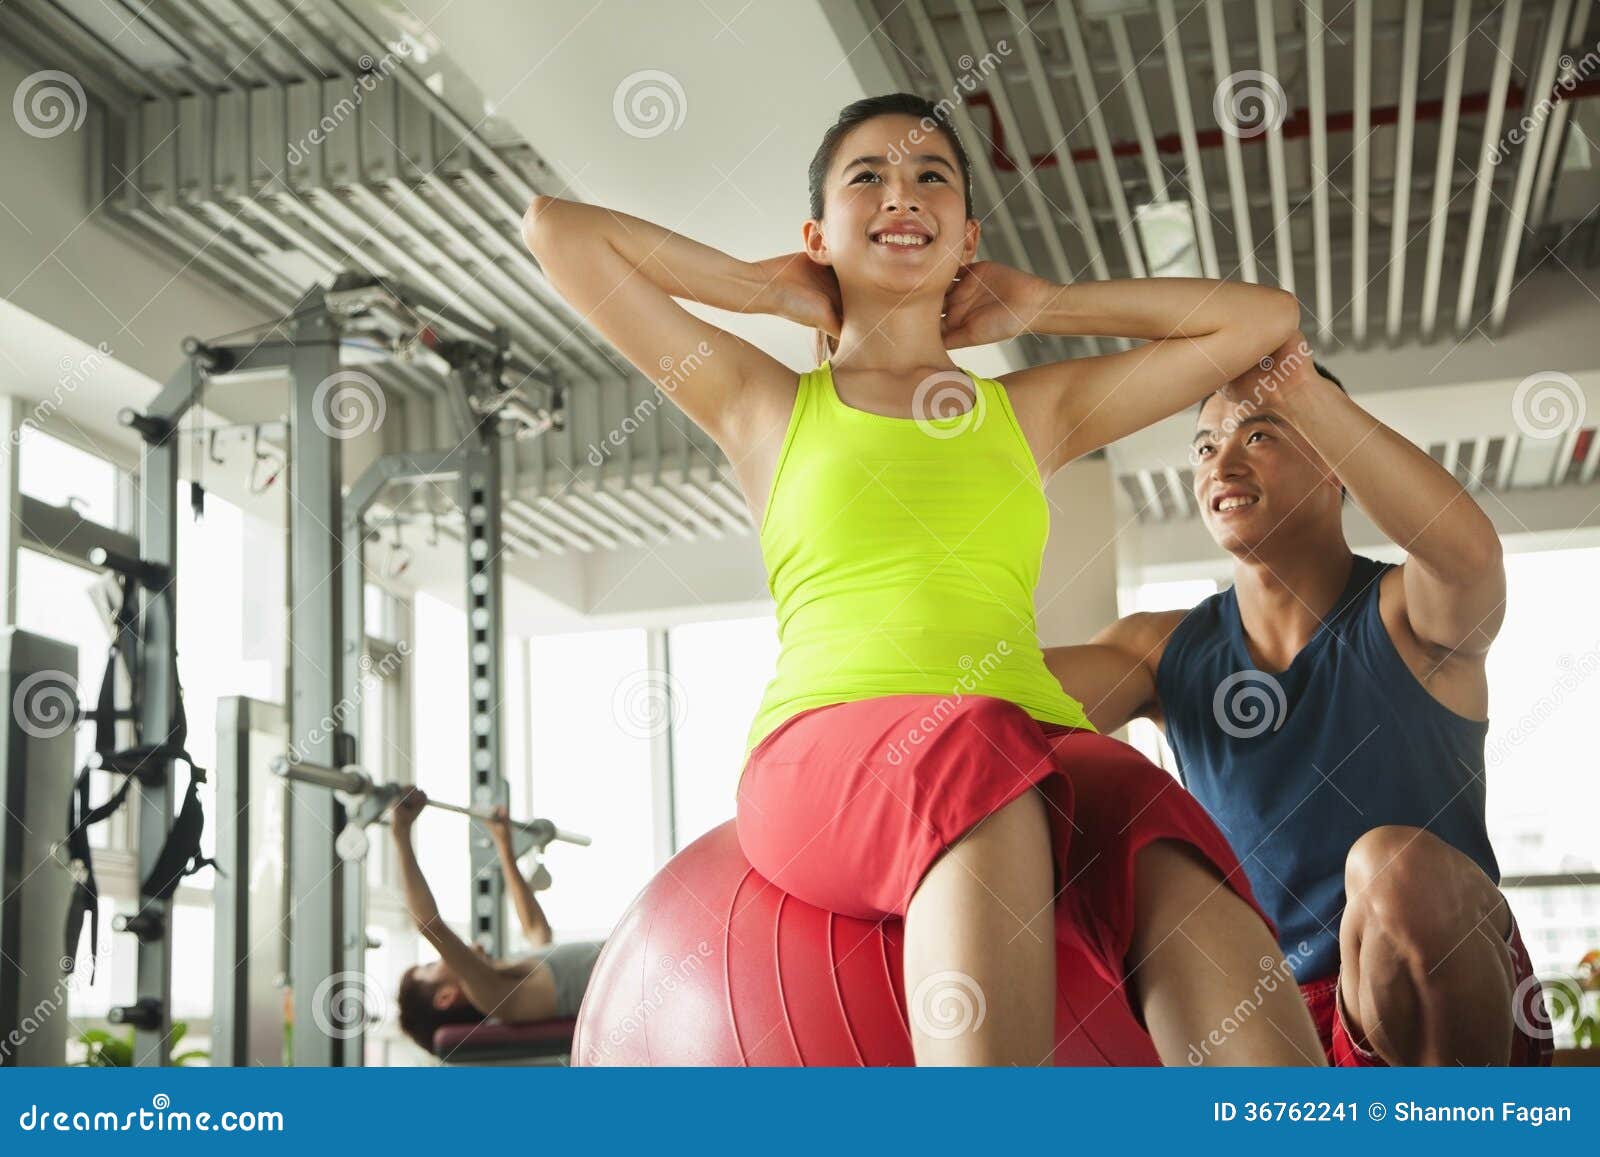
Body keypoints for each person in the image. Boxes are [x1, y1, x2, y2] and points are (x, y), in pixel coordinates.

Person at [524, 92, 1323, 1066]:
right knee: (973, 751)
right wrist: (760, 287)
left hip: (1030, 742)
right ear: (818, 232)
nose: (901, 191)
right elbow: (559, 231)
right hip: (830, 754)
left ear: (967, 237)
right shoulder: (762, 401)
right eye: (868, 176)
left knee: (1152, 814)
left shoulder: (1029, 411)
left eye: (930, 176)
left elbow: (1260, 322)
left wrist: (1042, 305)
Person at [1044, 342, 1550, 1066]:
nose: (1223, 465)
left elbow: (1468, 556)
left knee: (1393, 865)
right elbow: (1003, 711)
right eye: (1206, 447)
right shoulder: (1160, 650)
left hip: (1450, 1001)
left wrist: (1299, 387)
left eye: (1260, 435)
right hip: (1270, 1023)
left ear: (1335, 460)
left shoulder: (1413, 615)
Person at [391, 788, 604, 1054]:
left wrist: (504, 847)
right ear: (446, 997)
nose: (442, 957)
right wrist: (400, 832)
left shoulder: (518, 971)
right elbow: (429, 925)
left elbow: (535, 928)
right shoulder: (497, 997)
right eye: (432, 964)